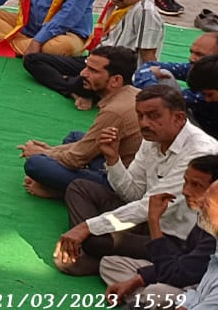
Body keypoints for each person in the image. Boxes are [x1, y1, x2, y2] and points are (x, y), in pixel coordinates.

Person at [55, 85, 218, 277]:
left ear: (179, 118)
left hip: (174, 236)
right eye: (140, 115)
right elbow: (132, 193)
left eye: (153, 115)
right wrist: (113, 159)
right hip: (144, 219)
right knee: (79, 188)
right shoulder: (152, 138)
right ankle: (89, 249)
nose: (144, 123)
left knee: (95, 238)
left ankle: (92, 254)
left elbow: (147, 205)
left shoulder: (199, 151)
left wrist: (86, 227)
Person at [100, 156, 218, 310]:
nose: (185, 191)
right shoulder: (204, 217)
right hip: (185, 277)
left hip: (199, 292)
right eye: (186, 182)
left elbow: (176, 274)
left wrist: (153, 221)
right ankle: (153, 306)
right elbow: (182, 260)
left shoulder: (213, 230)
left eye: (196, 185)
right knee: (109, 264)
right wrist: (138, 280)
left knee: (154, 293)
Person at [25, 0, 166, 105]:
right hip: (97, 61)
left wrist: (147, 94)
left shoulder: (145, 12)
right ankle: (74, 88)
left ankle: (78, 87)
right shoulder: (119, 4)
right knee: (33, 60)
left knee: (83, 80)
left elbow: (148, 58)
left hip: (116, 74)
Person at [20, 46, 145, 199]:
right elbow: (91, 145)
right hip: (116, 161)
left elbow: (75, 159)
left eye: (93, 70)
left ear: (116, 80)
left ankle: (68, 192)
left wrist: (42, 153)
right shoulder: (133, 93)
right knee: (75, 137)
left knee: (36, 164)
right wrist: (54, 150)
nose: (82, 73)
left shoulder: (115, 111)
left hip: (119, 182)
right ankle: (71, 185)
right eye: (86, 66)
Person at [138, 35, 218, 135]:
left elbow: (164, 100)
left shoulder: (204, 93)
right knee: (163, 74)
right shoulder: (197, 68)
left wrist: (150, 92)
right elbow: (149, 67)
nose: (191, 58)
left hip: (207, 136)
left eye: (199, 54)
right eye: (191, 52)